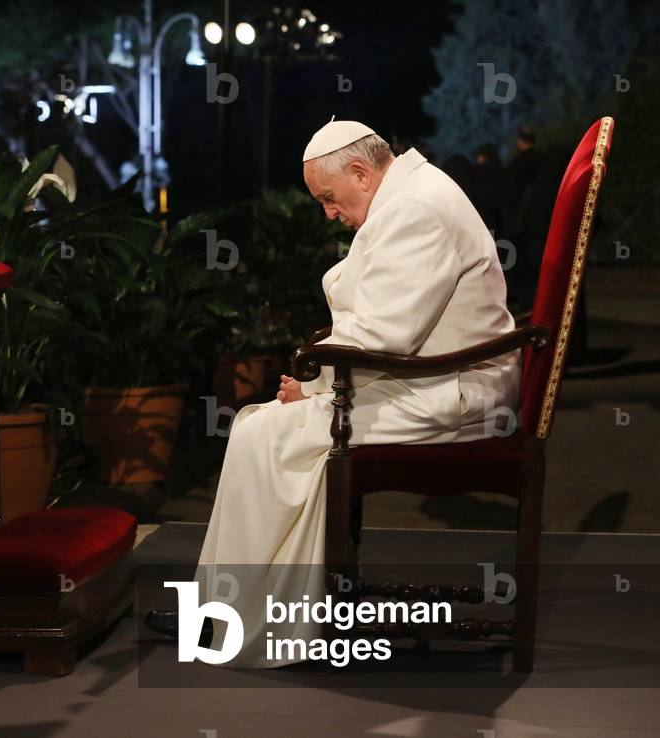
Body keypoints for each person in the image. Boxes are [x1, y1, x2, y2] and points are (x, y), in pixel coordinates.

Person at [145, 120, 520, 668]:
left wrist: (318, 384)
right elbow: (386, 323)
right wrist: (320, 386)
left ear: (361, 173)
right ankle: (233, 606)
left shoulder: (413, 208)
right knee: (262, 427)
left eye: (328, 197)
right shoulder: (407, 193)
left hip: (452, 391)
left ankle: (248, 618)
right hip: (429, 377)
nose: (327, 213)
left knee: (265, 433)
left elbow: (387, 334)